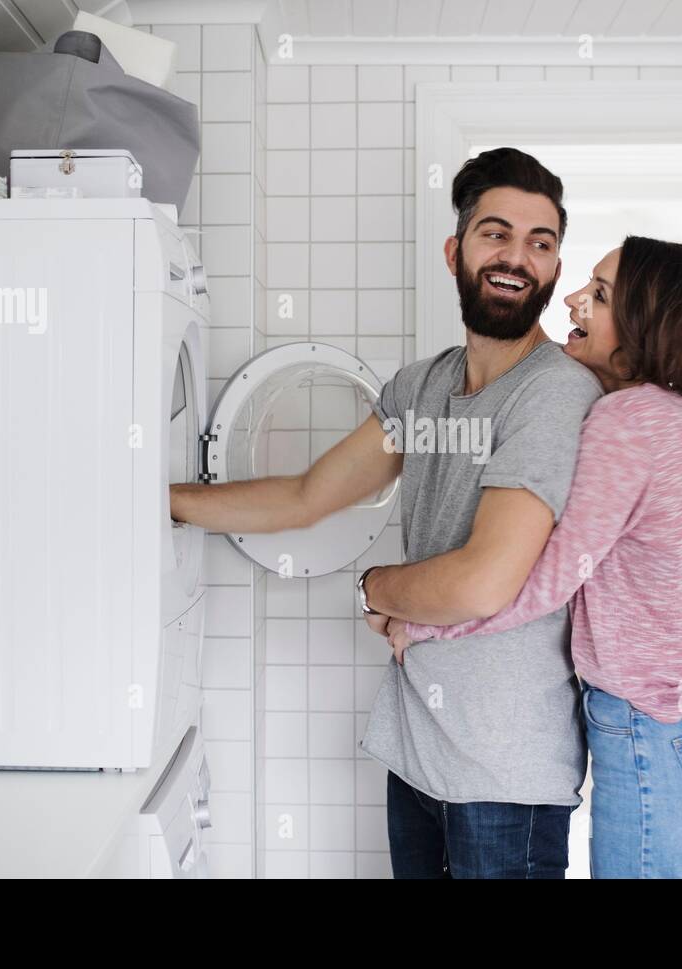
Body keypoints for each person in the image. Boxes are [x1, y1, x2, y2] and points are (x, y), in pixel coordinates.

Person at [171, 148, 601, 878]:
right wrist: (161, 503)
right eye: (495, 233)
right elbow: (308, 495)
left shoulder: (555, 394)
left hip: (504, 778)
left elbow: (482, 581)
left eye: (541, 243)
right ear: (455, 250)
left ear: (556, 269)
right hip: (419, 752)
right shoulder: (422, 387)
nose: (517, 257)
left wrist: (375, 587)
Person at [379, 237, 682, 878]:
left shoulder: (625, 423)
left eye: (600, 296)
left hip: (655, 745)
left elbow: (549, 579)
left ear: (640, 334)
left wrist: (423, 623)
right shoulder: (656, 416)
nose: (576, 298)